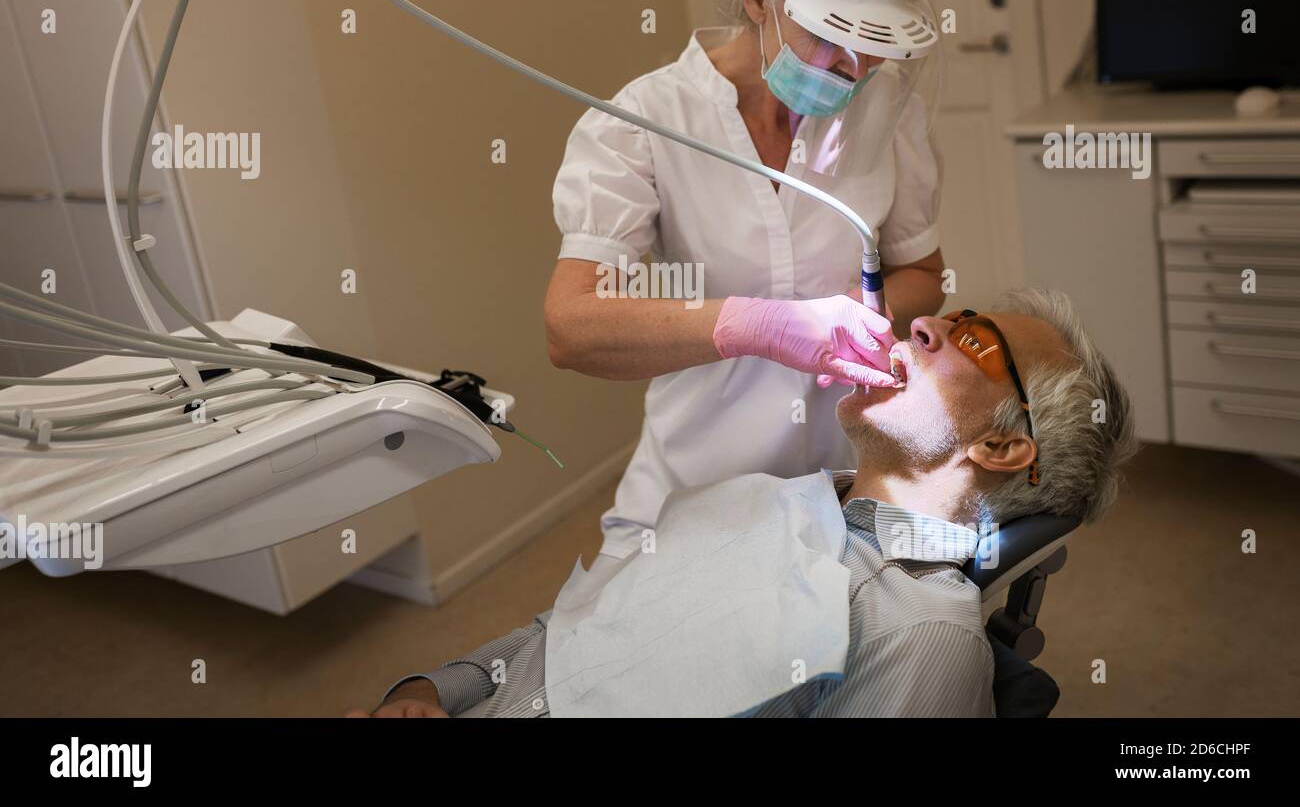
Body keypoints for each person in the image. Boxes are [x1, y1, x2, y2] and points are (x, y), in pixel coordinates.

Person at [351, 289, 1139, 718]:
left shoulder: (920, 634)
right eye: (952, 316)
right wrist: (428, 691)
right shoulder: (753, 497)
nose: (926, 320)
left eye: (974, 344)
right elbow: (565, 634)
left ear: (1001, 449)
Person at [544, 0, 947, 575]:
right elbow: (570, 327)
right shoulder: (643, 123)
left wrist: (859, 311)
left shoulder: (890, 114)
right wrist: (754, 326)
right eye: (830, 39)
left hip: (844, 485)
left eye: (872, 48)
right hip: (691, 490)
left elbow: (921, 272)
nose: (852, 73)